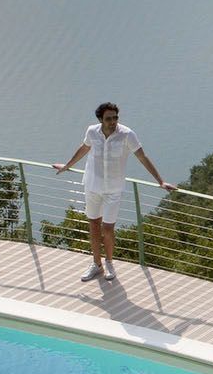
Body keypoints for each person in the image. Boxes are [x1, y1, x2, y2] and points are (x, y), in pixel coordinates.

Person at [54, 102, 173, 281]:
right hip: (92, 185)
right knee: (94, 226)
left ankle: (109, 262)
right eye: (109, 118)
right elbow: (84, 148)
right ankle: (96, 264)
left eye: (115, 117)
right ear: (100, 119)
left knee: (108, 228)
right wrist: (67, 166)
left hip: (113, 189)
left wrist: (160, 181)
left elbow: (142, 157)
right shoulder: (92, 131)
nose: (113, 121)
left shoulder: (126, 134)